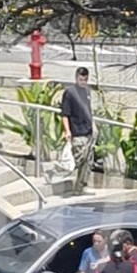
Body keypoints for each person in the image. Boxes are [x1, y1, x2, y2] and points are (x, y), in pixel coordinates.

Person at [59, 67, 95, 195]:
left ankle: (80, 187)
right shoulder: (70, 93)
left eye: (85, 80)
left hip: (88, 131)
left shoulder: (87, 92)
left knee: (88, 161)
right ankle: (61, 173)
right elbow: (65, 113)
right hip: (77, 131)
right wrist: (67, 130)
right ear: (76, 78)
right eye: (81, 79)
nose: (83, 82)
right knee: (78, 158)